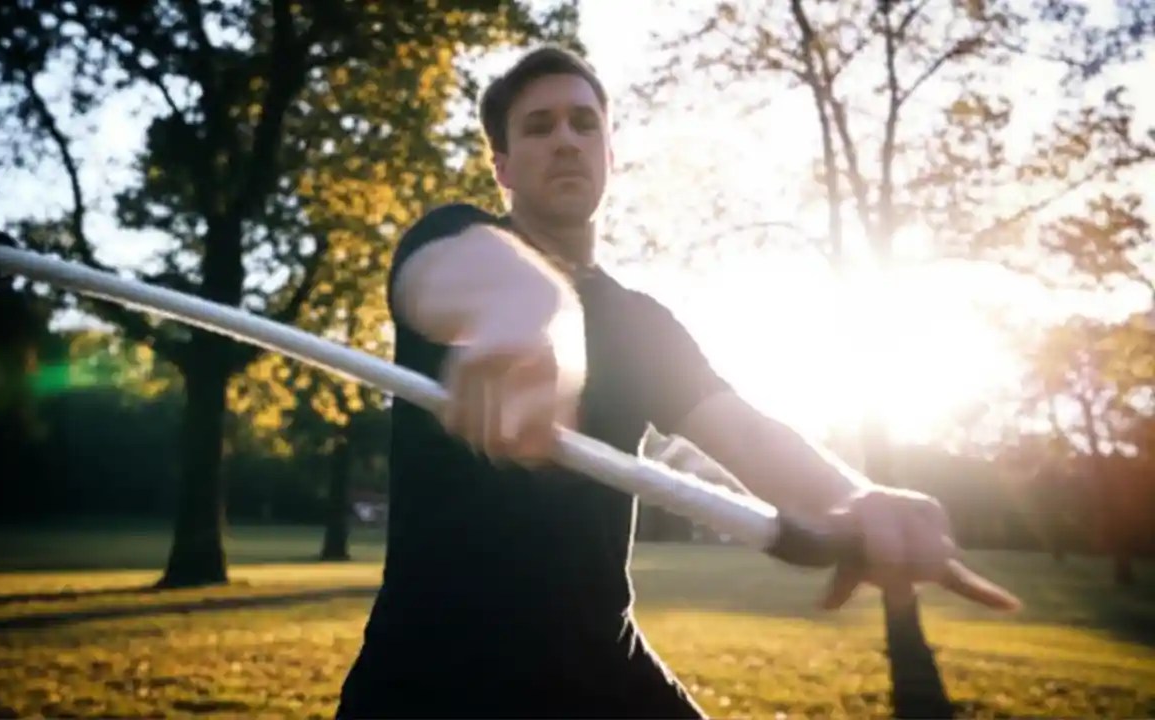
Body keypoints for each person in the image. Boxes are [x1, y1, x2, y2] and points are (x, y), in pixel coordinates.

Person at [336, 46, 1020, 719]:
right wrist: (531, 317)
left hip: (601, 670)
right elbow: (468, 278)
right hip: (426, 675)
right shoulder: (453, 238)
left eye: (584, 123)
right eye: (539, 127)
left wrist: (857, 497)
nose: (566, 140)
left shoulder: (643, 326)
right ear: (504, 166)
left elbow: (748, 433)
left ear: (611, 154)